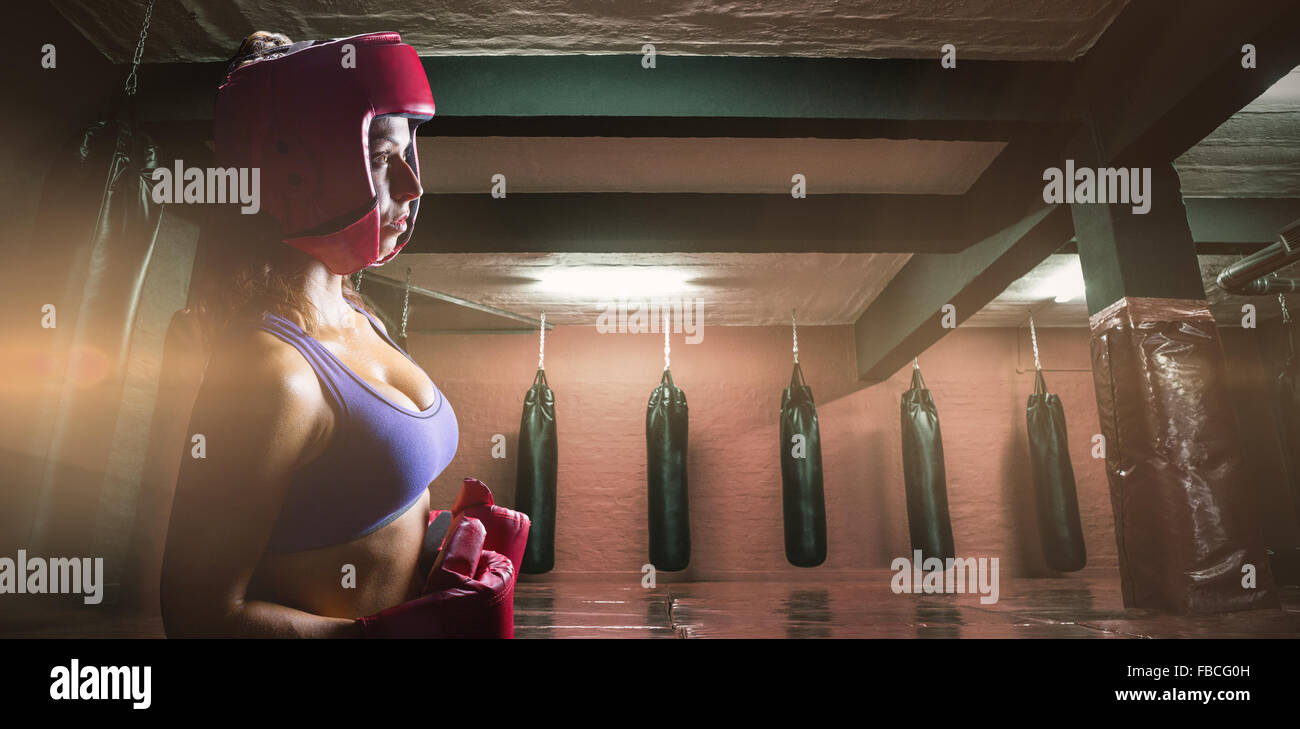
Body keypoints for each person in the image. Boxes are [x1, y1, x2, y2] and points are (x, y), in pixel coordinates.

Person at [160, 31, 527, 638]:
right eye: (383, 158)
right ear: (293, 170)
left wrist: (438, 546)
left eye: (409, 155)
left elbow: (347, 504)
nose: (411, 186)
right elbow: (199, 620)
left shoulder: (360, 314)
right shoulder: (268, 371)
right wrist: (382, 635)